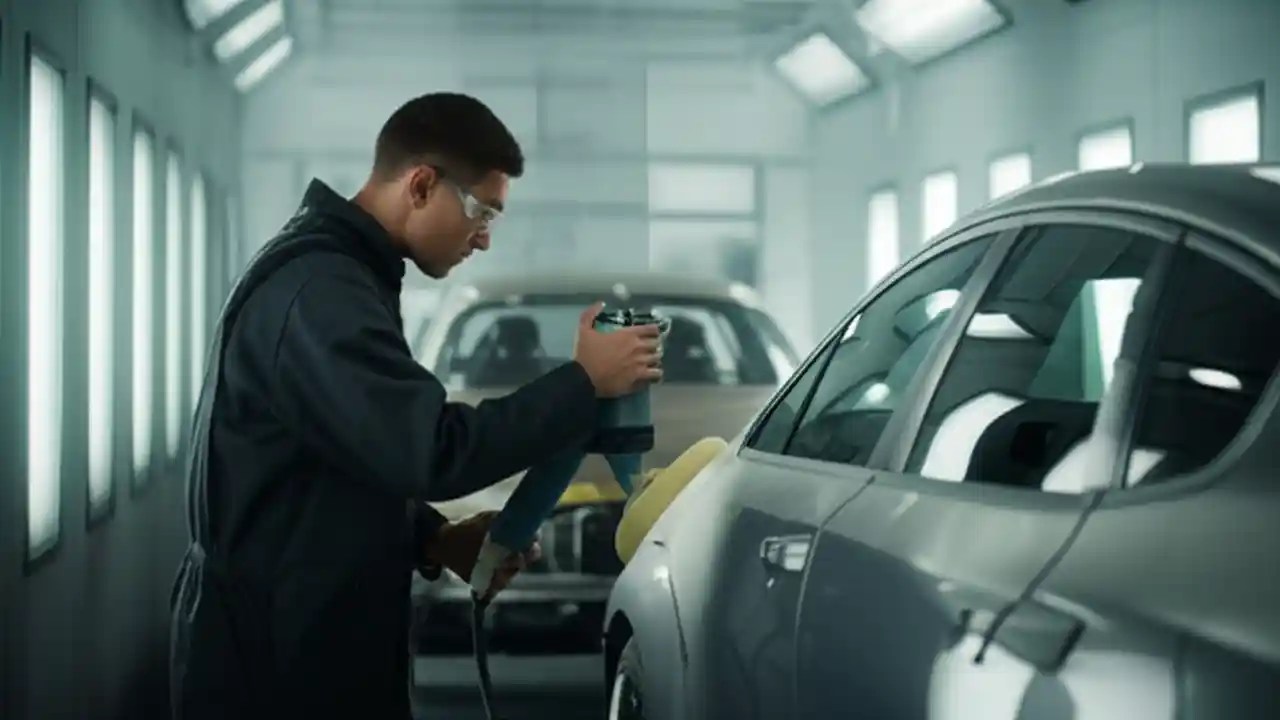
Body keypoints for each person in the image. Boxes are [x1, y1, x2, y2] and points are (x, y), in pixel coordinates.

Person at [168, 92, 663, 719]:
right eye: (482, 211)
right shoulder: (323, 292)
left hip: (301, 637)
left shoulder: (342, 274)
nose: (483, 239)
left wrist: (433, 539)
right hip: (275, 666)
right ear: (423, 184)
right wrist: (583, 381)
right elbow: (430, 449)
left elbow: (336, 461)